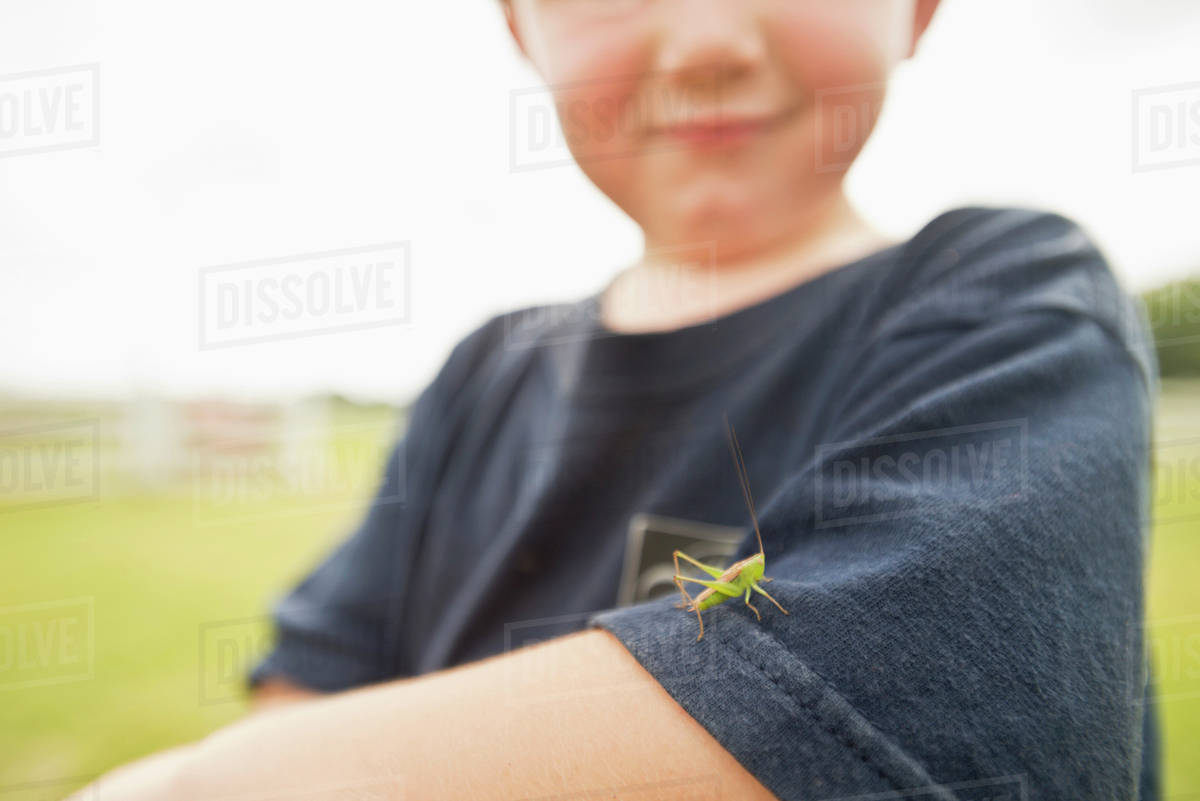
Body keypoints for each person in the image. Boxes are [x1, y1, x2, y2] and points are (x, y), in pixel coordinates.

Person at [76, 1, 1161, 799]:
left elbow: (920, 717)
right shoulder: (478, 375)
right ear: (517, 24)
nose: (708, 43)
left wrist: (186, 782)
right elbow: (304, 692)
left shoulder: (1009, 293)